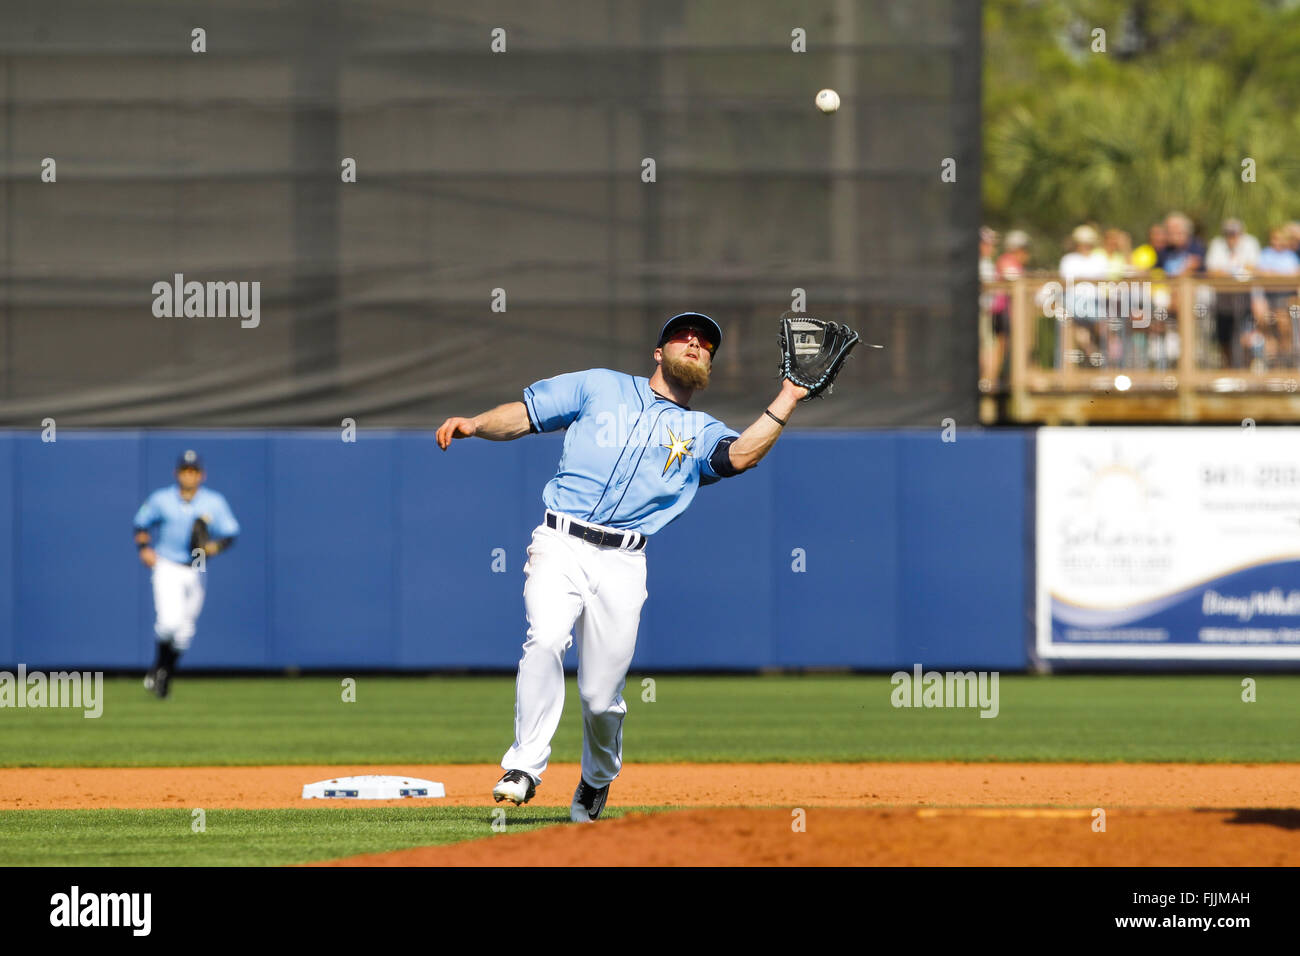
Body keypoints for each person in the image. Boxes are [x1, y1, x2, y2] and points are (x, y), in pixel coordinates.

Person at [435, 313, 810, 822]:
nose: (695, 343)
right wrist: (475, 424)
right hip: (560, 540)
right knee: (544, 638)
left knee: (599, 696)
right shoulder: (599, 387)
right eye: (683, 336)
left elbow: (740, 456)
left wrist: (787, 396)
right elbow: (527, 413)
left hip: (623, 561)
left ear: (709, 366)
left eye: (705, 343)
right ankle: (524, 766)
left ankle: (596, 779)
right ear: (658, 352)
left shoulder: (701, 431)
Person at [132, 450, 240, 698]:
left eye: (193, 471)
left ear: (201, 475)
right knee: (168, 623)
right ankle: (160, 669)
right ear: (177, 473)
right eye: (185, 471)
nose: (189, 476)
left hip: (197, 563)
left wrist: (213, 547)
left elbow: (231, 533)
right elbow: (140, 523)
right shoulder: (162, 499)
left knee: (185, 631)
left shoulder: (213, 501)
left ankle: (162, 675)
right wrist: (144, 548)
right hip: (167, 563)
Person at [1205, 218, 1260, 367]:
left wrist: (1228, 272)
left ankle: (1247, 369)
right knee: (1224, 338)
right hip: (1223, 302)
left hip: (1245, 299)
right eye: (1229, 233)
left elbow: (1252, 268)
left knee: (1247, 335)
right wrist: (1234, 272)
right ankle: (1229, 370)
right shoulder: (1217, 245)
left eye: (1235, 233)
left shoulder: (1250, 243)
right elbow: (1212, 271)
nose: (1232, 237)